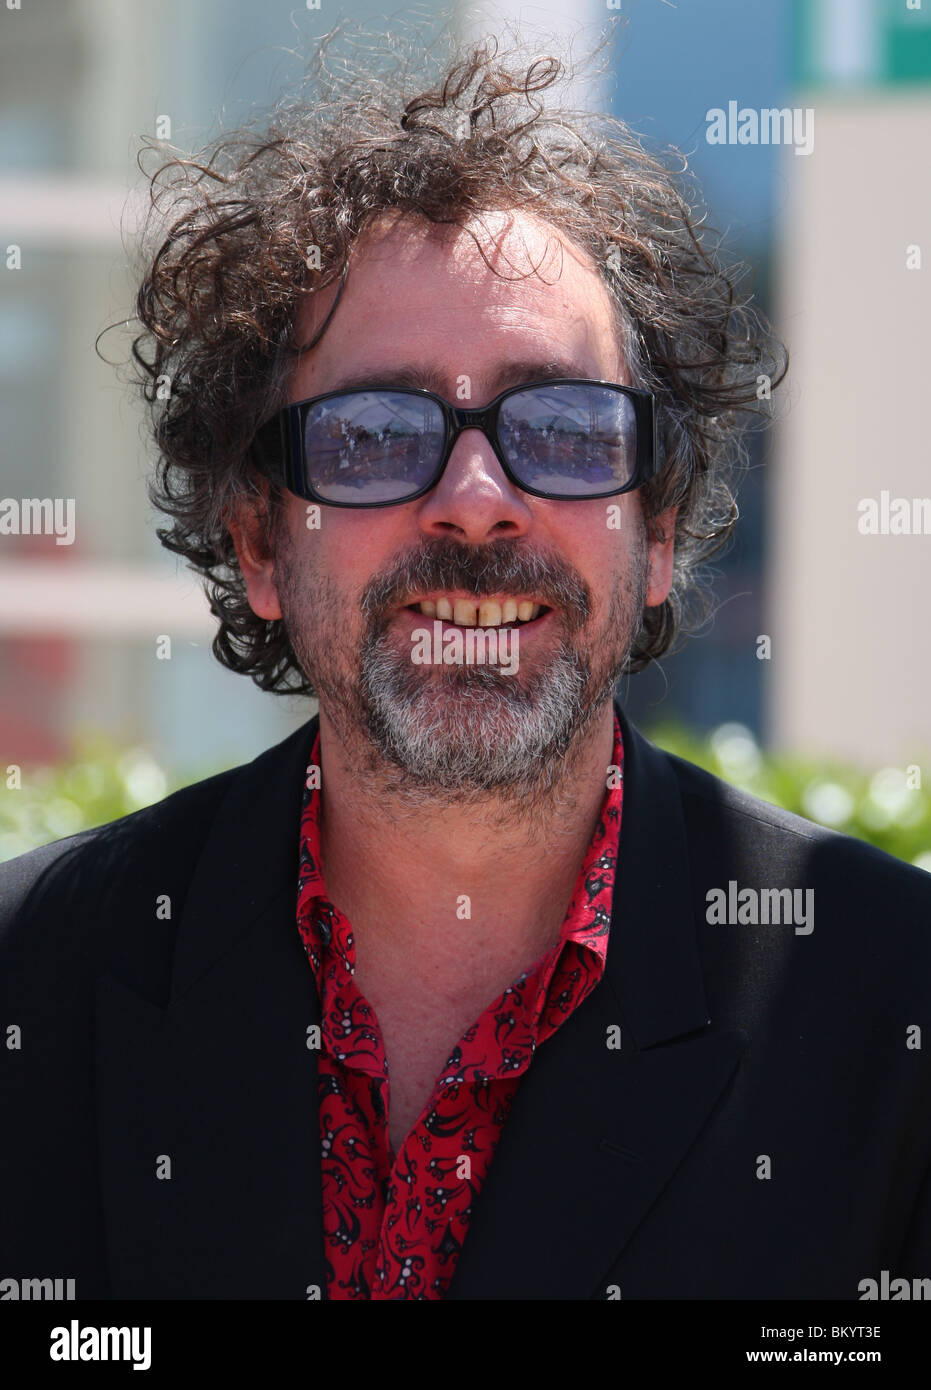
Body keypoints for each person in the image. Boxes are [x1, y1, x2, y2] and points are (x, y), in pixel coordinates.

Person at [2, 33, 929, 1303]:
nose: (476, 500)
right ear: (260, 540)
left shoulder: (892, 1009)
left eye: (560, 427)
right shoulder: (34, 981)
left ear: (655, 532)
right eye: (377, 435)